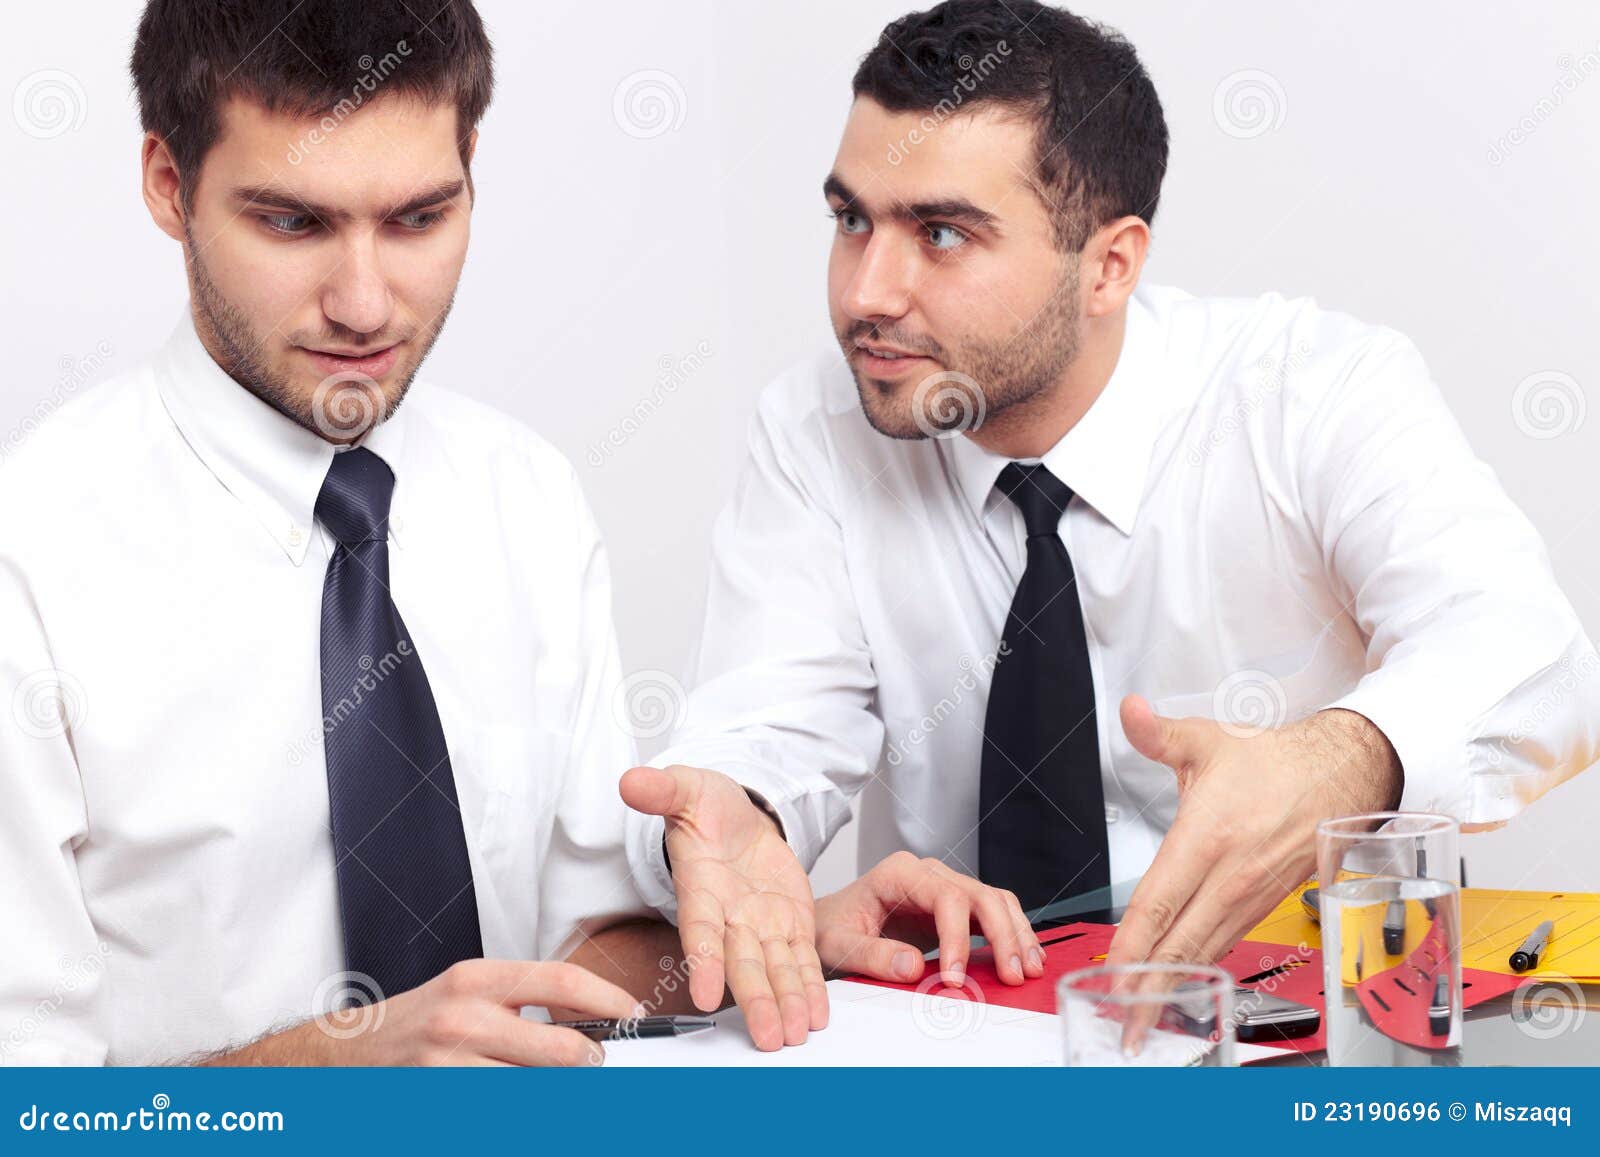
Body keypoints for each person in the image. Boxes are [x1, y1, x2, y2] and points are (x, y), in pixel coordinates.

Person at [0, 0, 1041, 1066]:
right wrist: (327, 1071)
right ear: (169, 186)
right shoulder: (29, 556)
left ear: (470, 175)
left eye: (416, 219)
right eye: (293, 222)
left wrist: (770, 941)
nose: (364, 304)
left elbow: (572, 963)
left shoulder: (522, 494)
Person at [625, 0, 1600, 979]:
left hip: (1304, 1028)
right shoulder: (817, 431)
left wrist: (1337, 758)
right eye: (851, 220)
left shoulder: (1309, 389)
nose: (866, 292)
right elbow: (770, 724)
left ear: (1110, 264)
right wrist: (729, 812)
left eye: (943, 234)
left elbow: (1539, 659)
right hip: (973, 1028)